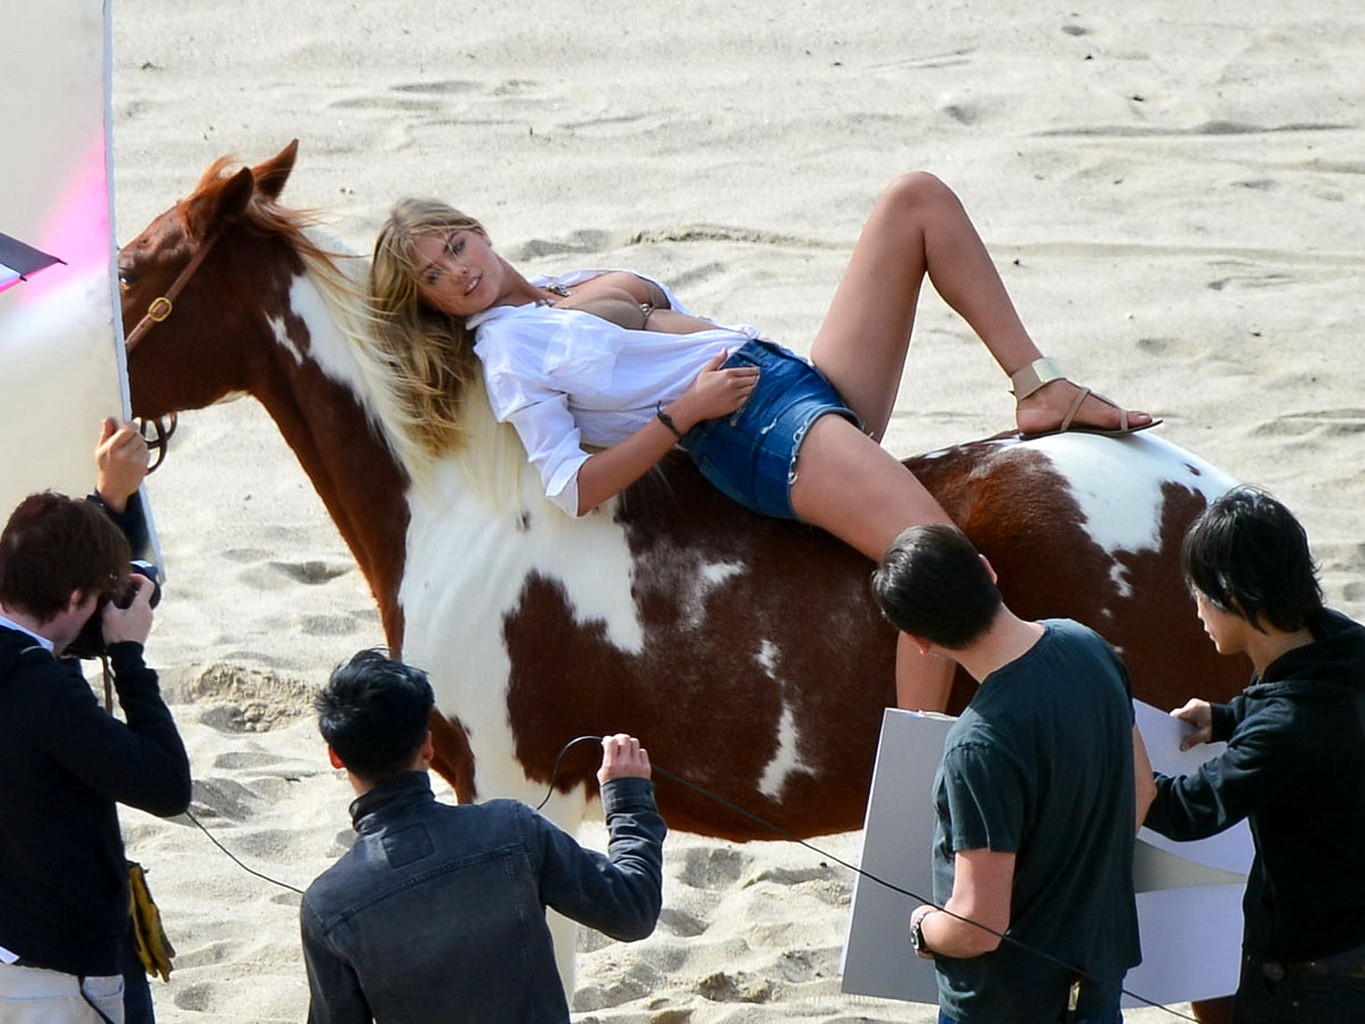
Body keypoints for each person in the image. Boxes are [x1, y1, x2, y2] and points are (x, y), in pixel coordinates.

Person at [366, 172, 1156, 713]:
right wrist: (681, 415)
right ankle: (922, 771)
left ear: (476, 231)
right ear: (430, 304)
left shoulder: (562, 284)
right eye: (433, 277)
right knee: (942, 566)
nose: (456, 274)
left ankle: (1038, 384)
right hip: (756, 432)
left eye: (454, 249)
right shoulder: (505, 353)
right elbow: (572, 486)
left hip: (786, 382)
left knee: (916, 201)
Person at [870, 523, 1151, 1024]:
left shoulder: (977, 745)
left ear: (920, 641)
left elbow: (979, 926)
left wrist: (923, 928)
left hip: (1006, 1004)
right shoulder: (1089, 646)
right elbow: (1142, 791)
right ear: (986, 569)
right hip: (1097, 981)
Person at [300, 649, 666, 1024]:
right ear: (427, 746)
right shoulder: (511, 828)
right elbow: (633, 910)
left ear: (335, 756)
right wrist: (628, 798)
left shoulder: (327, 905)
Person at [1143, 486, 1365, 1023]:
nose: (1195, 608)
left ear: (1232, 597)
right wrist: (1227, 718)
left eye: (1198, 592)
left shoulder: (1284, 730)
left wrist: (1116, 738)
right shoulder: (1345, 648)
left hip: (1310, 985)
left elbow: (1180, 810)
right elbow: (1308, 725)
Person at [0, 491, 191, 1024]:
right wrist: (129, 656)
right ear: (77, 599)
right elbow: (168, 786)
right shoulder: (42, 691)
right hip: (56, 972)